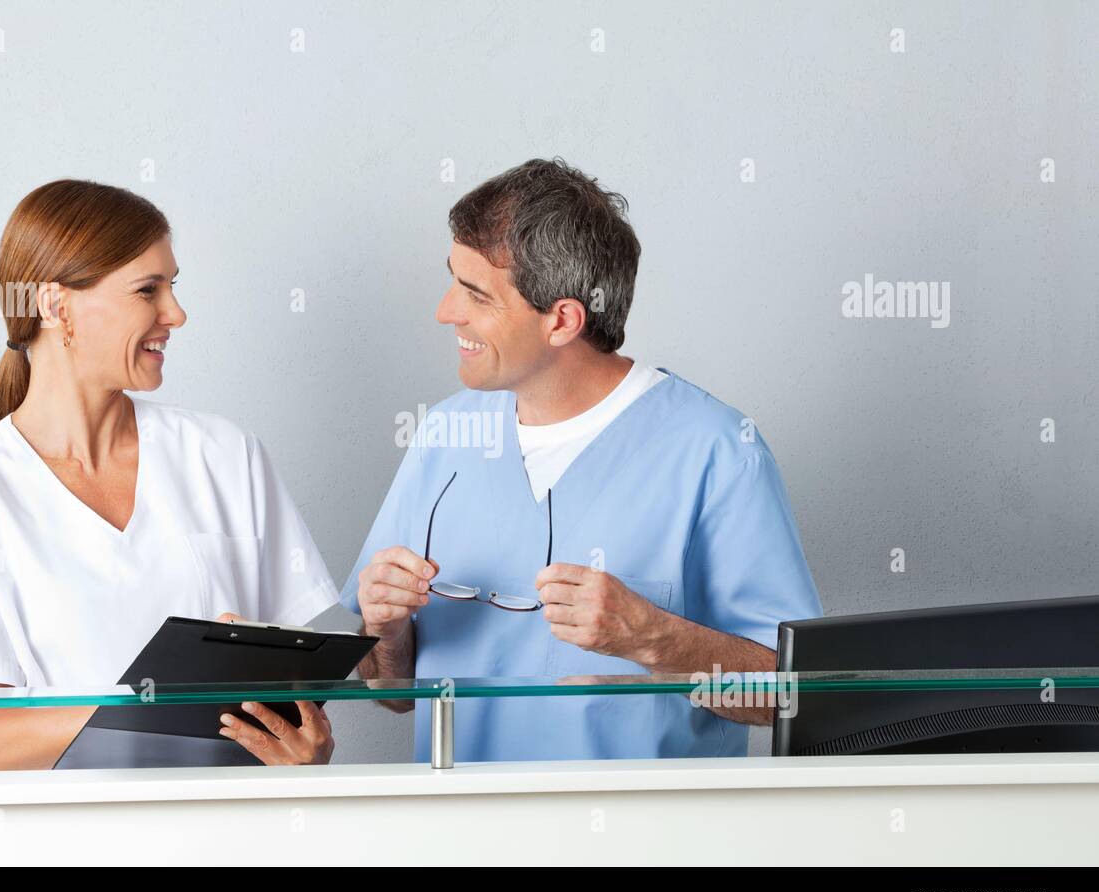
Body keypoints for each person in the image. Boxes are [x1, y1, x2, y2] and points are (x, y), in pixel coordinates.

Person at [341, 158, 822, 762]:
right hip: (461, 838)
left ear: (562, 320)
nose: (445, 311)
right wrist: (384, 630)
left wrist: (656, 638)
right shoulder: (444, 435)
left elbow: (789, 693)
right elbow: (392, 694)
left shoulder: (717, 450)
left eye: (475, 294)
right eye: (452, 281)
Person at [0, 180, 338, 769]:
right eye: (148, 290)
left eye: (172, 286)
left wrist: (303, 744)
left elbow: (302, 688)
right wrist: (168, 687)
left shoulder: (226, 455)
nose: (176, 313)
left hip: (241, 834)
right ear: (55, 305)